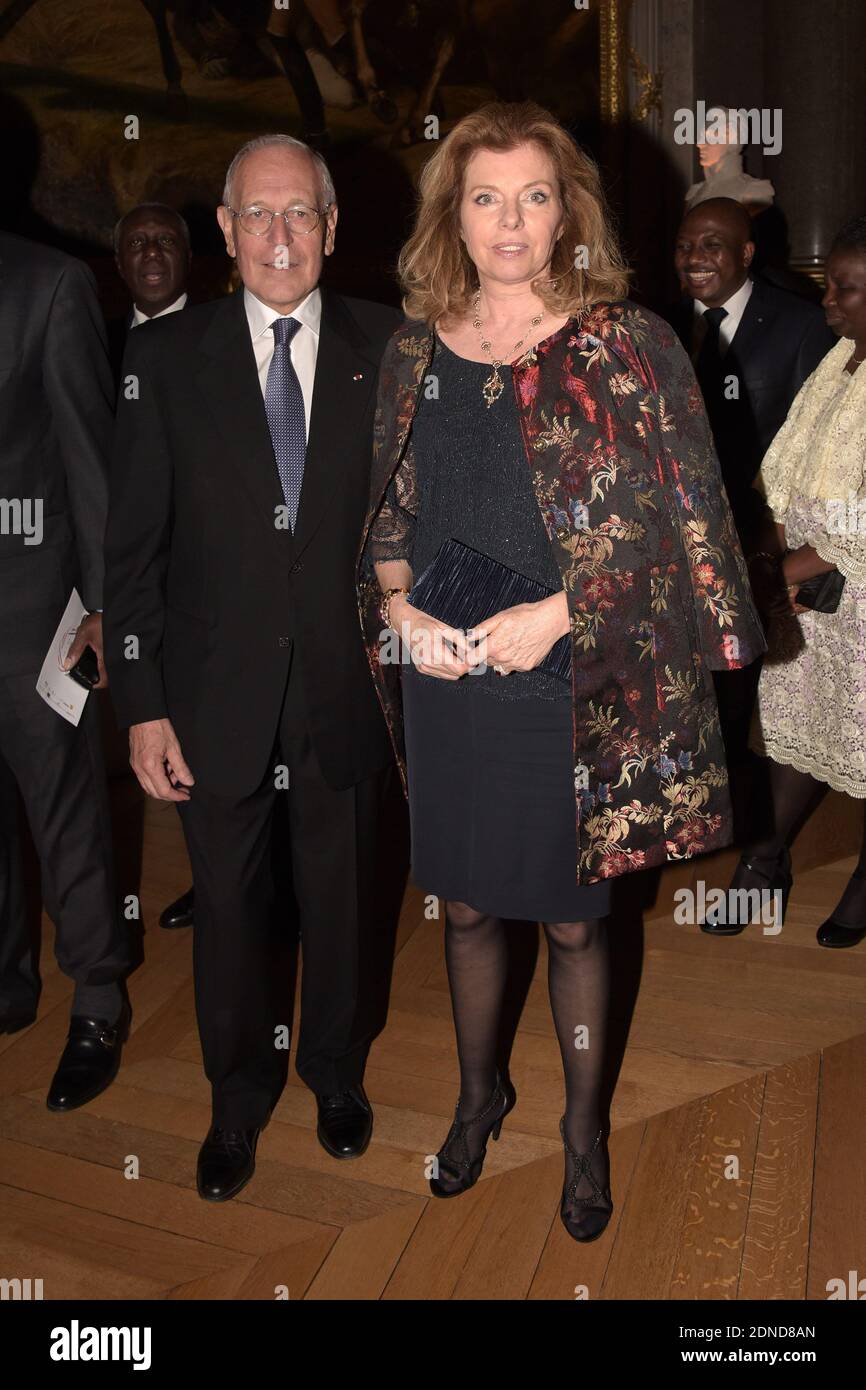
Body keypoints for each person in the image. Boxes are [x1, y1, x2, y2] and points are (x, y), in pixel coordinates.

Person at [357, 101, 765, 1243]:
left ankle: (582, 1138)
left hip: (574, 679)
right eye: (483, 196)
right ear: (452, 211)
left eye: (532, 195)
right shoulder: (408, 349)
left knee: (580, 925)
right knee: (471, 903)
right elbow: (387, 516)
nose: (508, 221)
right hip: (450, 673)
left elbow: (694, 539)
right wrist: (400, 612)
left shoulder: (626, 343)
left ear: (565, 208)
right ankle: (479, 1093)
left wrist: (566, 610)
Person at [103, 133, 403, 1202]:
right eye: (257, 216)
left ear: (331, 228)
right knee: (227, 908)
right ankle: (235, 1099)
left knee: (344, 898)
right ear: (224, 234)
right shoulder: (162, 362)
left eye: (301, 214)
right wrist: (140, 705)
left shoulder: (391, 346)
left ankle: (333, 1069)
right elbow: (129, 554)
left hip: (346, 689)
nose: (280, 236)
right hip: (210, 696)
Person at [701, 216, 866, 946]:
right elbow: (785, 477)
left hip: (852, 592)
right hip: (814, 599)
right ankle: (765, 866)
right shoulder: (839, 361)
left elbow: (854, 526)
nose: (827, 300)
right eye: (829, 284)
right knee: (796, 734)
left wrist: (767, 573)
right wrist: (748, 555)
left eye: (846, 289)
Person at [0, 231, 132, 1106]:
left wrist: (102, 604)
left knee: (63, 803)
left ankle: (98, 994)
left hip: (29, 603)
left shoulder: (49, 285)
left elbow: (90, 459)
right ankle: (8, 979)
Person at [668, 198, 836, 832]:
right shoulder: (655, 323)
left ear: (746, 253)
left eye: (713, 245)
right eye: (686, 244)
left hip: (759, 534)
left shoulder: (799, 326)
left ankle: (739, 816)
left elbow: (818, 441)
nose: (695, 258)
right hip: (673, 533)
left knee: (741, 677)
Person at [106, 203, 192, 390]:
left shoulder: (227, 337)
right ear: (119, 264)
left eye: (166, 240)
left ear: (188, 257)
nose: (152, 252)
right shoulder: (99, 345)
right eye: (136, 242)